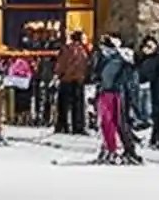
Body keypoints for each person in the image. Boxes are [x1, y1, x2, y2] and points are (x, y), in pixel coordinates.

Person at [93, 36, 128, 164]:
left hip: (114, 93)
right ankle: (107, 146)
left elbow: (123, 77)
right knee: (105, 122)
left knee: (112, 121)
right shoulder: (103, 58)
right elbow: (98, 73)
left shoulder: (119, 60)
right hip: (104, 91)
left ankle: (113, 148)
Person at [54, 31, 90, 135]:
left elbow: (61, 63)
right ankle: (78, 127)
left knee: (63, 105)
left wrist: (59, 74)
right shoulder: (82, 50)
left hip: (66, 79)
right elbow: (84, 65)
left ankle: (63, 126)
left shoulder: (67, 49)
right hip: (78, 79)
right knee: (78, 104)